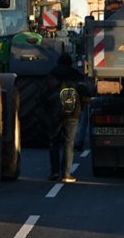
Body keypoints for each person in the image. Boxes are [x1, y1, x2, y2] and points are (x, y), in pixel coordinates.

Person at [46, 52, 92, 183]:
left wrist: (48, 110)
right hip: (72, 114)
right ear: (70, 63)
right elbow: (87, 93)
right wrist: (80, 107)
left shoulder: (51, 75)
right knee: (69, 144)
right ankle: (66, 174)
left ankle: (54, 172)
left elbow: (42, 95)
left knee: (54, 143)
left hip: (54, 114)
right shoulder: (77, 76)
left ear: (59, 62)